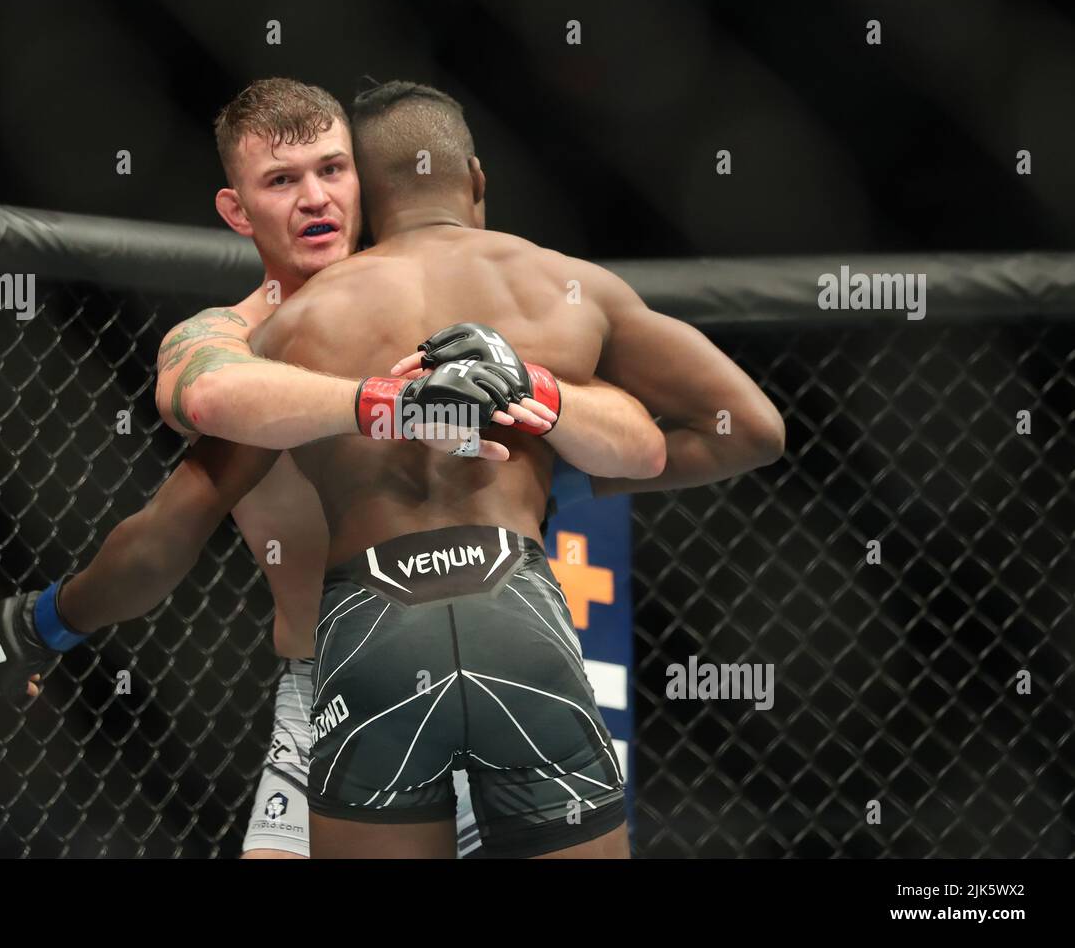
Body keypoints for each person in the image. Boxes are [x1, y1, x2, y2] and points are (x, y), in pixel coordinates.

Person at [237, 80, 785, 858]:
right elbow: (752, 430)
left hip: (366, 629)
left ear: (361, 193)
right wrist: (561, 462)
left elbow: (189, 486)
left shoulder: (287, 326)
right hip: (515, 606)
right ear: (479, 181)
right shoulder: (569, 286)